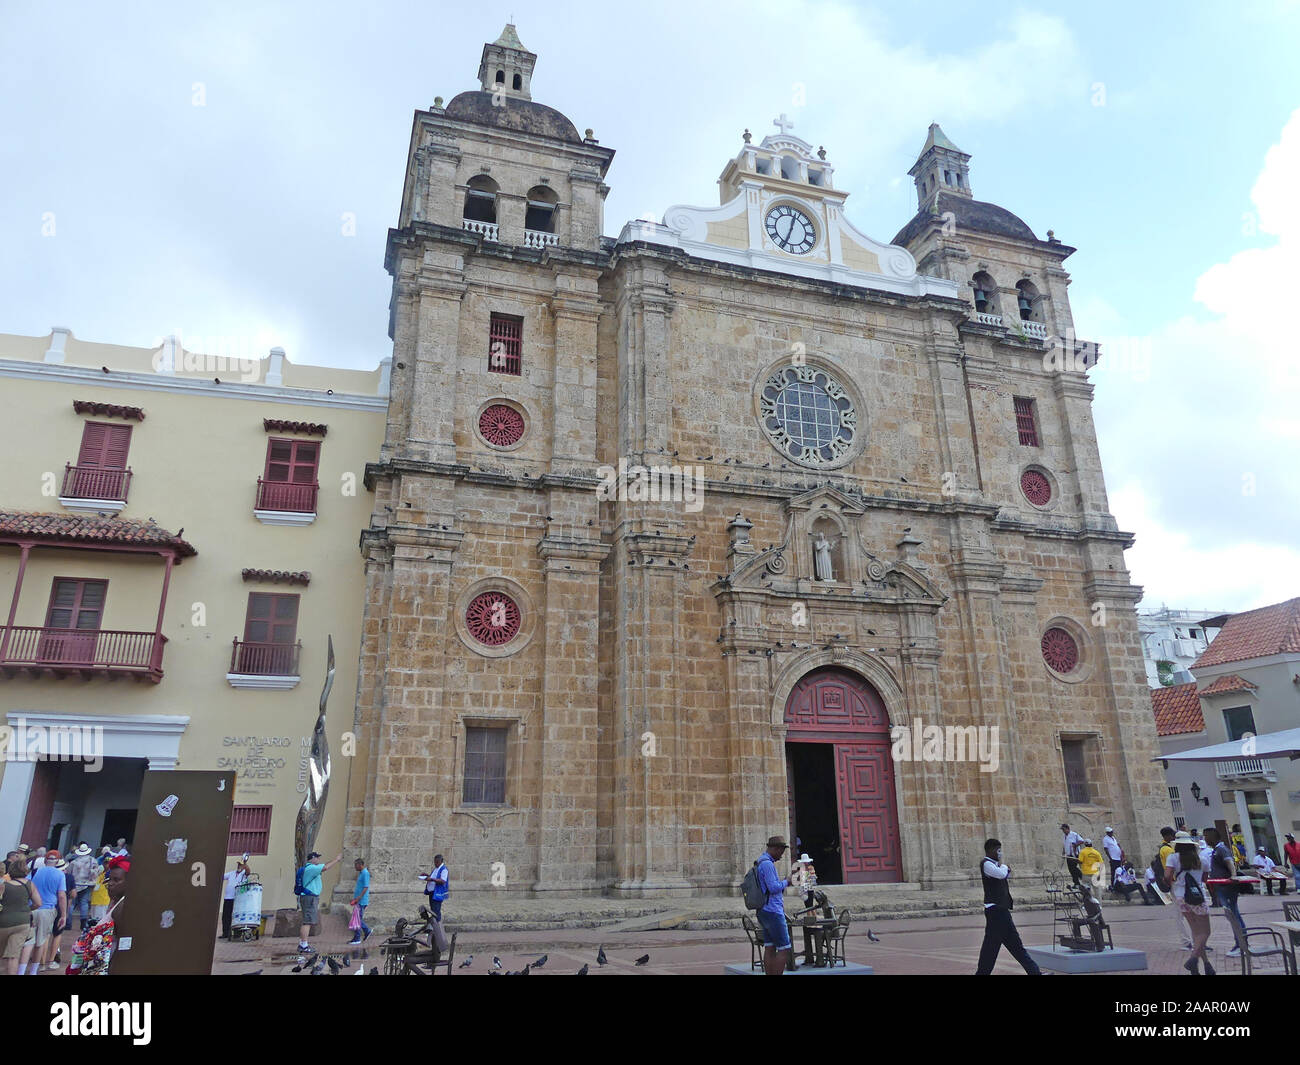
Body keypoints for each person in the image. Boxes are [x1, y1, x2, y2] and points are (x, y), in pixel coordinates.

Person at [975, 838, 1041, 975]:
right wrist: (1005, 867)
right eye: (998, 850)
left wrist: (1004, 869)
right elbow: (1001, 874)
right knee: (1011, 945)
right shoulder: (987, 864)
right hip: (996, 911)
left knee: (994, 947)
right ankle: (1035, 972)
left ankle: (1035, 972)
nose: (1000, 853)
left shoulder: (995, 865)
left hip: (999, 910)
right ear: (990, 850)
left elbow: (1003, 876)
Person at [67, 858, 127, 975]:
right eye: (110, 879)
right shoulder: (116, 903)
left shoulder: (122, 906)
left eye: (117, 880)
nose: (110, 883)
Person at [1166, 830, 1213, 975]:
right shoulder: (1201, 860)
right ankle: (1193, 959)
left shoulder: (1173, 858)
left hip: (1181, 896)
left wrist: (1175, 882)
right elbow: (1204, 879)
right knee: (1205, 932)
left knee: (1196, 932)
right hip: (1197, 897)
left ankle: (1205, 965)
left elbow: (1167, 875)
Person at [754, 835, 792, 976]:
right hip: (772, 911)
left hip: (763, 910)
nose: (781, 856)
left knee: (769, 947)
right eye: (781, 852)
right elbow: (773, 887)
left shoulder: (760, 862)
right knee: (784, 948)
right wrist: (787, 881)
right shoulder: (768, 864)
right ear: (775, 849)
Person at [1204, 828, 1242, 959]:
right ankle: (1240, 943)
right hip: (1221, 887)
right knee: (1231, 914)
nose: (1204, 839)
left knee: (1233, 915)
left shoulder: (1221, 849)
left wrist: (1233, 875)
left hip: (1227, 888)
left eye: (1206, 836)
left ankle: (1241, 944)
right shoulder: (1216, 850)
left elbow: (1229, 862)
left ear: (1211, 837)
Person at [27, 848, 66, 974]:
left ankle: (22, 969)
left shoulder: (35, 872)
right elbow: (61, 896)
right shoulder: (60, 874)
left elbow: (27, 887)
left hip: (31, 908)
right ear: (58, 861)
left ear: (45, 860)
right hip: (47, 910)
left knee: (28, 941)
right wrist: (64, 915)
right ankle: (37, 968)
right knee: (41, 940)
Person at [296, 851, 341, 955]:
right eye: (317, 858)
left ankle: (303, 943)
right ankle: (303, 945)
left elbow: (324, 865)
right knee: (307, 922)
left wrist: (334, 859)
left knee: (307, 921)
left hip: (309, 897)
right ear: (312, 859)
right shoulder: (311, 868)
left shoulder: (311, 869)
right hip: (309, 897)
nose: (319, 860)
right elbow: (325, 868)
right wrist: (337, 860)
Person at [1, 857, 40, 975]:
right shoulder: (29, 884)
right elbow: (38, 903)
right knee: (13, 956)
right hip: (22, 922)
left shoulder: (3, 885)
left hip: (3, 921)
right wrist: (26, 909)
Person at [68, 843, 98, 932]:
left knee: (72, 904)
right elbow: (96, 872)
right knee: (84, 903)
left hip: (75, 884)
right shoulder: (92, 860)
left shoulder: (74, 862)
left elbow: (69, 873)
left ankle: (68, 923)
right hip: (87, 884)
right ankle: (83, 924)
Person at [220, 857, 250, 940]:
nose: (239, 866)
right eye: (238, 864)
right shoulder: (231, 873)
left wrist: (245, 864)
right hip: (228, 898)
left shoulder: (244, 874)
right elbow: (221, 876)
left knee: (236, 916)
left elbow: (248, 871)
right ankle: (225, 933)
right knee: (226, 916)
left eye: (241, 865)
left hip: (237, 899)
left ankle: (237, 933)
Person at [348, 857, 372, 946]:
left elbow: (366, 887)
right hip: (358, 900)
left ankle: (363, 933)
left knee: (357, 919)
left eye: (355, 865)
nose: (354, 867)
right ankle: (358, 936)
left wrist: (358, 898)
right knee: (356, 918)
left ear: (360, 865)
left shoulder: (365, 873)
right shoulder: (361, 873)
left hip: (361, 901)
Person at [423, 854, 450, 923]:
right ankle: (434, 928)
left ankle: (438, 928)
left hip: (437, 893)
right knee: (433, 910)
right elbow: (433, 877)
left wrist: (431, 879)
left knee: (436, 911)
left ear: (441, 861)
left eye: (437, 862)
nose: (435, 863)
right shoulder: (436, 869)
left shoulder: (444, 869)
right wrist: (427, 876)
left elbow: (442, 880)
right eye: (435, 862)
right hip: (432, 893)